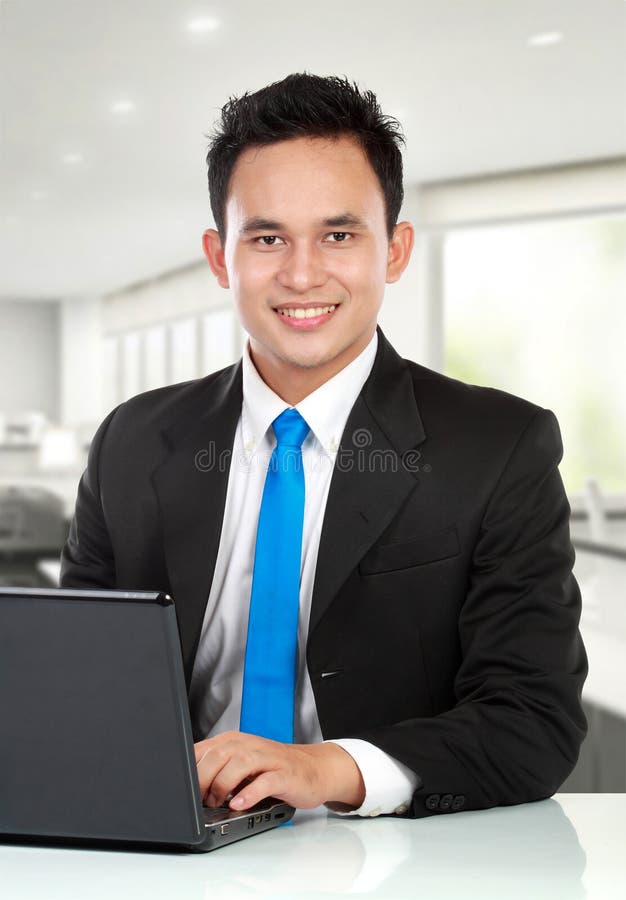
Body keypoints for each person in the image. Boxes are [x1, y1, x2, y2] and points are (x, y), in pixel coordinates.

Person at [60, 73, 587, 819]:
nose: (302, 274)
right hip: (168, 843)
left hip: (392, 852)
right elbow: (72, 685)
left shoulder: (499, 448)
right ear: (220, 258)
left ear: (395, 250)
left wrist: (326, 769)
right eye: (267, 237)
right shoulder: (131, 442)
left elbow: (534, 721)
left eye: (339, 235)